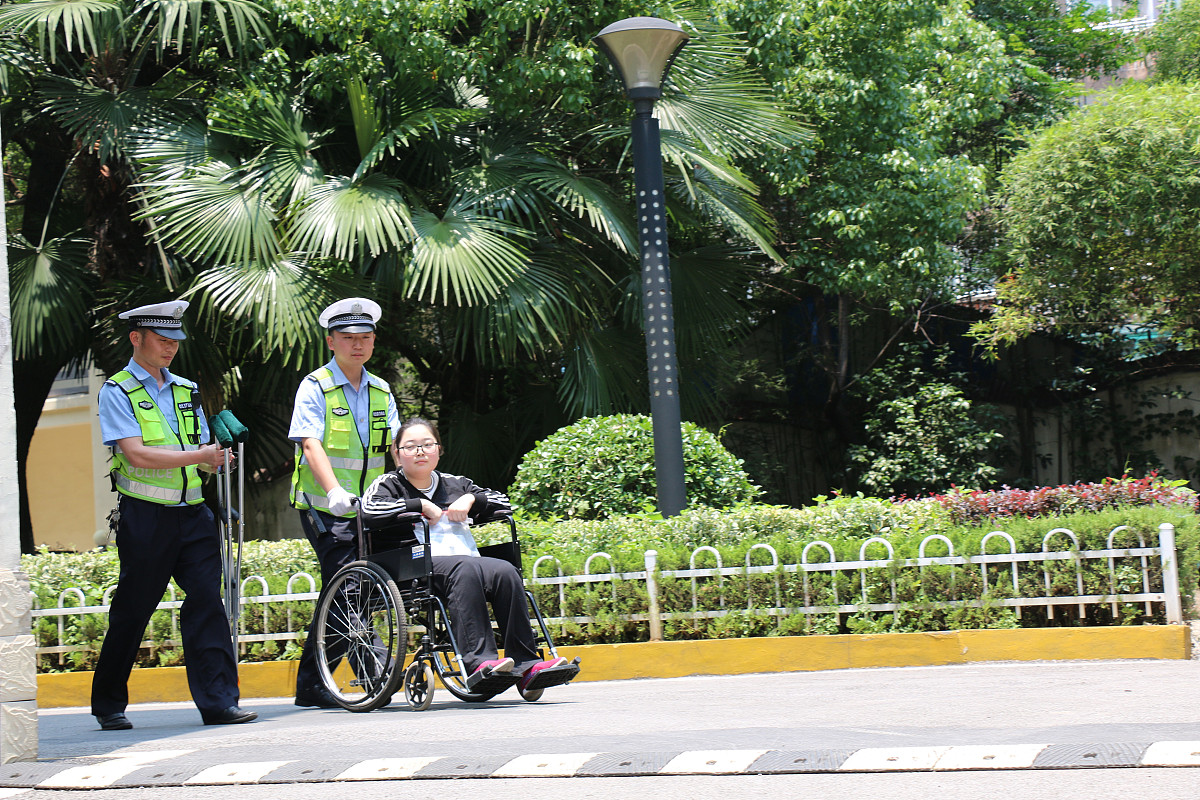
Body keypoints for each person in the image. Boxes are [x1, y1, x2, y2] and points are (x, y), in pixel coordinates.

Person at [91, 301, 256, 730]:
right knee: (134, 608)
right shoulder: (118, 390)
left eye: (175, 342)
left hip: (194, 515)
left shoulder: (187, 390)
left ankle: (220, 702)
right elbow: (137, 454)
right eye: (162, 341)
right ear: (136, 338)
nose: (170, 349)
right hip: (146, 518)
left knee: (207, 603)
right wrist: (200, 454)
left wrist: (217, 460)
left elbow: (199, 454)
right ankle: (108, 703)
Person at [360, 418, 572, 695]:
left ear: (439, 450)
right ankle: (478, 663)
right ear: (397, 454)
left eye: (427, 444)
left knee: (505, 571)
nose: (420, 451)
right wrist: (420, 504)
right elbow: (369, 510)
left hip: (463, 560)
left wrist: (472, 500)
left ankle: (526, 664)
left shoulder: (455, 484)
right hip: (413, 566)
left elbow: (504, 503)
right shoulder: (388, 484)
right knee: (466, 569)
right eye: (410, 446)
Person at [289, 297, 400, 708]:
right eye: (348, 338)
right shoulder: (315, 386)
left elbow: (395, 446)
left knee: (362, 589)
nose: (358, 345)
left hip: (369, 508)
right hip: (324, 505)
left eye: (365, 338)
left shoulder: (381, 390)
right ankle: (365, 674)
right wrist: (334, 490)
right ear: (331, 341)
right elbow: (310, 442)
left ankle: (315, 682)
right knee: (348, 582)